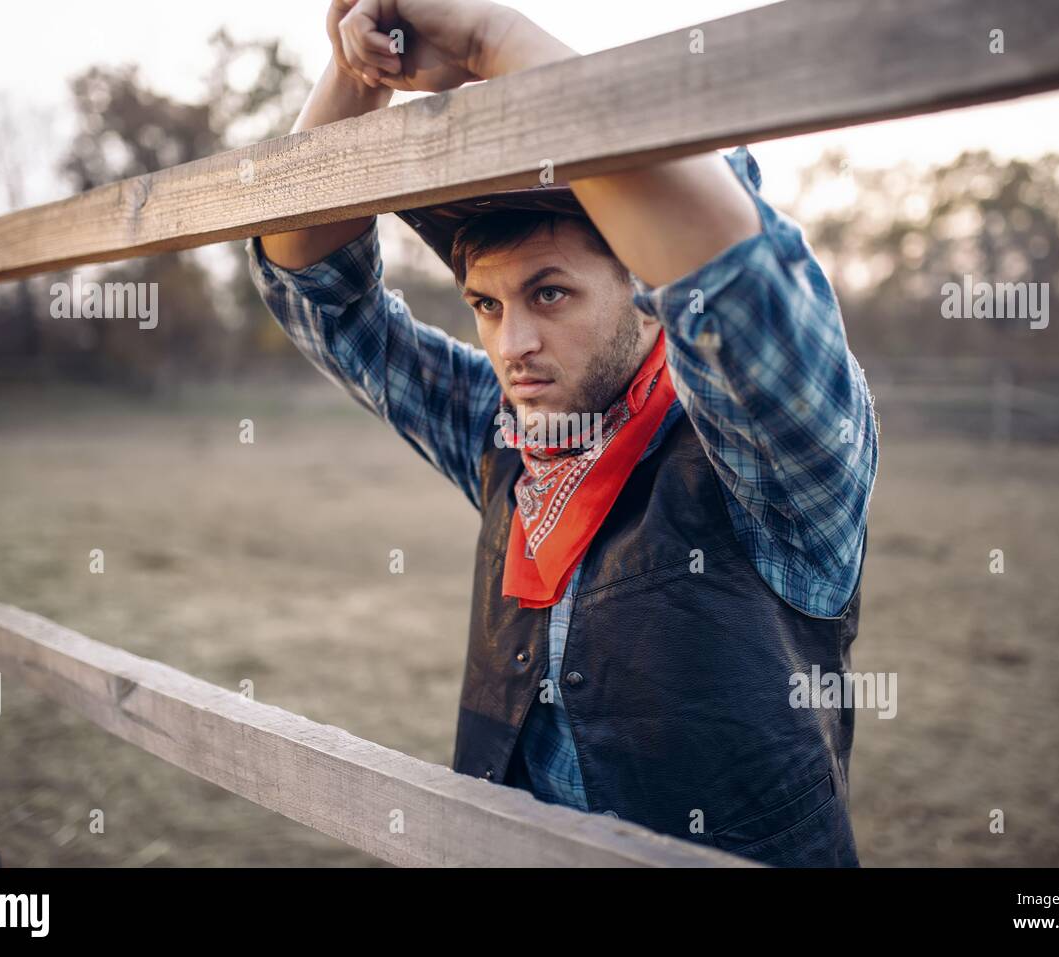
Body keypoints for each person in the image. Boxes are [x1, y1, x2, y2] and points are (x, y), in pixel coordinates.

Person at [248, 0, 878, 866]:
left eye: (550, 293)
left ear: (648, 288)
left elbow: (740, 287)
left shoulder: (764, 460)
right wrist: (360, 76)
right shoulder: (505, 426)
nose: (512, 345)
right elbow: (319, 298)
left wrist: (490, 38)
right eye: (486, 303)